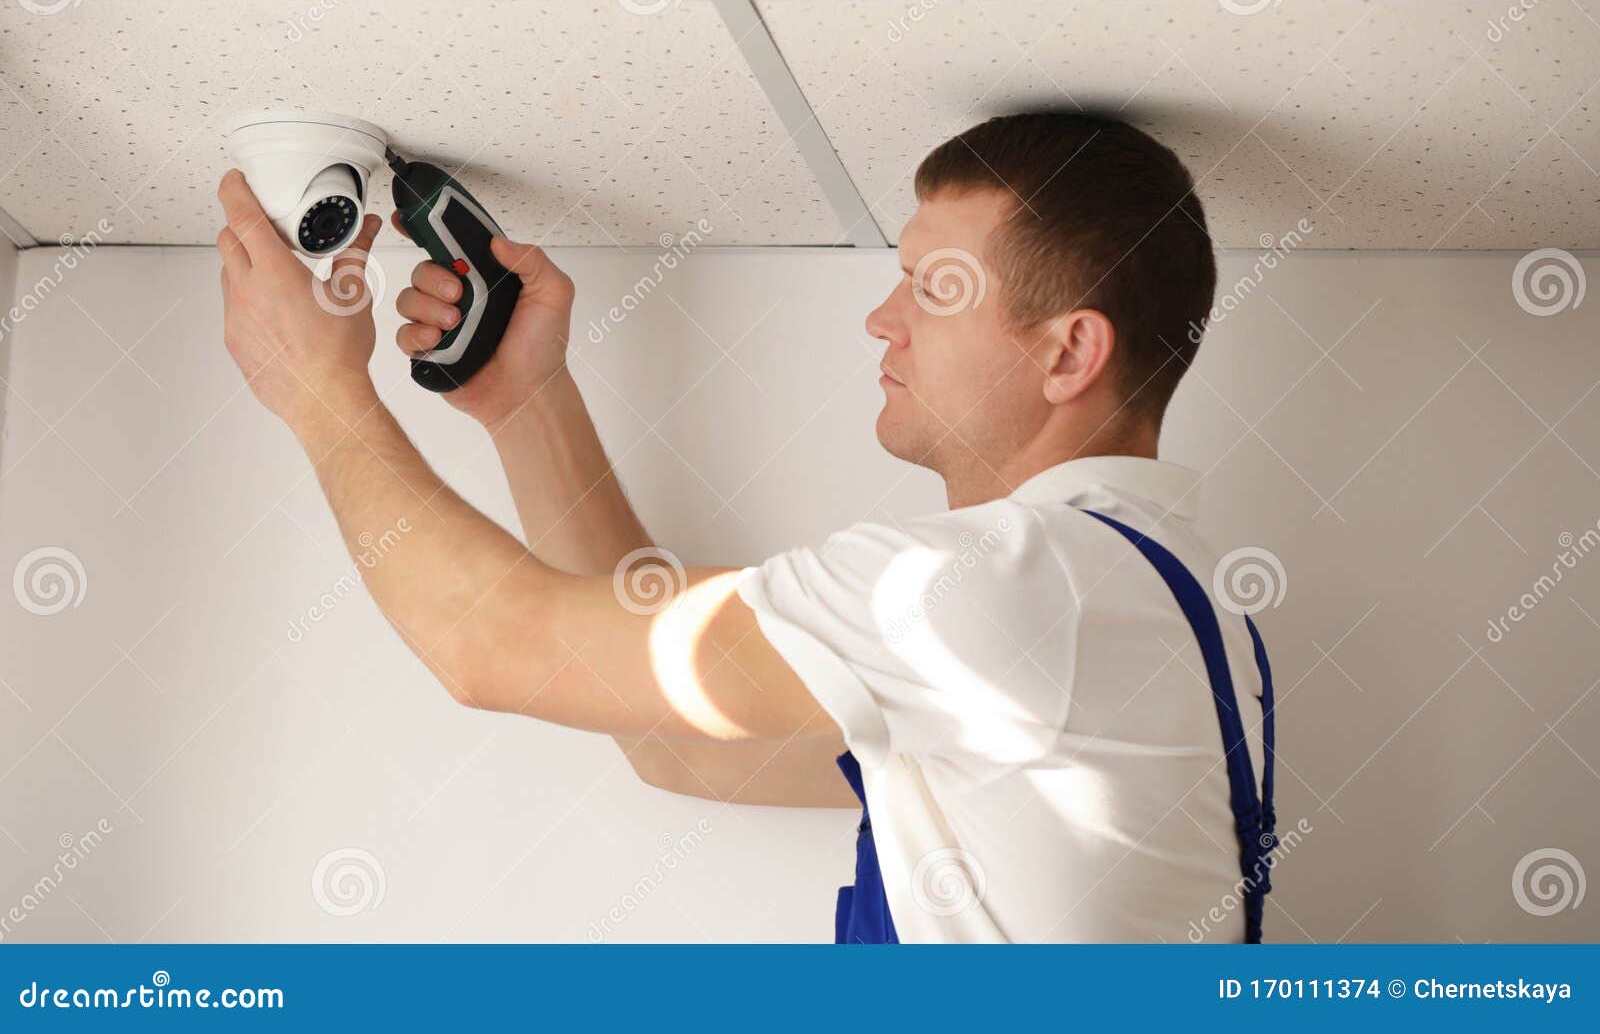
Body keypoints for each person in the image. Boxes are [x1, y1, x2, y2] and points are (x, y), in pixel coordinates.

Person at [213, 111, 1276, 943]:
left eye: (931, 286)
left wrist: (320, 390)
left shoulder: (1007, 585)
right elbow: (683, 748)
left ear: (1067, 354)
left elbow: (490, 648)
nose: (881, 318)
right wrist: (528, 405)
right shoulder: (1138, 609)